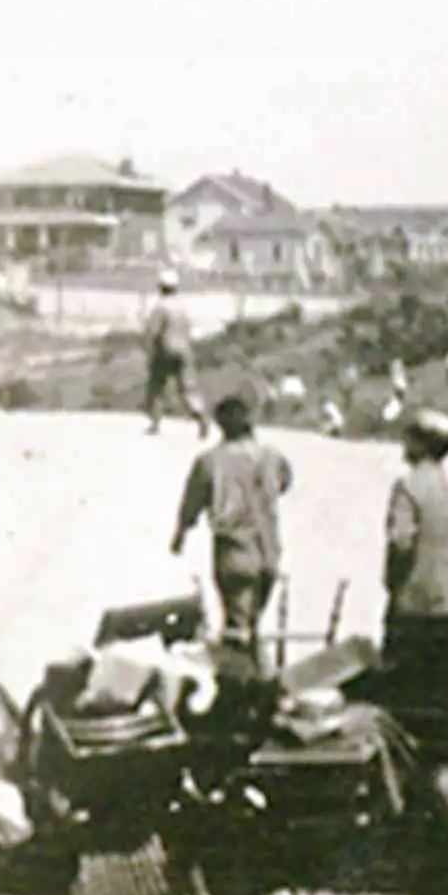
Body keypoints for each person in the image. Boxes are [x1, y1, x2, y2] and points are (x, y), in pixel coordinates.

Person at [173, 393, 293, 666]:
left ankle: (248, 689)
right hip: (269, 554)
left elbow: (191, 503)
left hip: (233, 554)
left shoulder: (209, 461)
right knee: (252, 621)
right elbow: (286, 482)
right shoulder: (272, 456)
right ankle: (257, 677)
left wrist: (180, 535)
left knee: (238, 628)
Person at [381, 411, 448, 647]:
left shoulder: (407, 486)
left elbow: (401, 543)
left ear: (420, 444)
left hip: (418, 604)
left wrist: (394, 585)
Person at [137, 274, 193, 434]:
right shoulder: (183, 307)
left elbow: (152, 331)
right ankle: (200, 417)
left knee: (156, 387)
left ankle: (155, 423)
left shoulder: (160, 307)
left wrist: (148, 350)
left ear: (161, 287)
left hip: (165, 350)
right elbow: (189, 330)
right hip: (184, 350)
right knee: (186, 388)